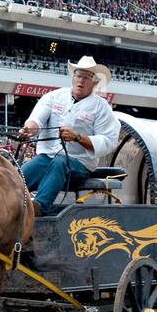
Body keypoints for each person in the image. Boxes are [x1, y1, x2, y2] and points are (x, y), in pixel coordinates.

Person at [19, 56, 121, 217]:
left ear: (94, 82)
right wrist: (29, 128)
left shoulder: (102, 107)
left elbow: (108, 142)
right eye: (78, 75)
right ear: (73, 77)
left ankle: (39, 207)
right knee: (17, 175)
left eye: (86, 77)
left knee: (60, 163)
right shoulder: (53, 97)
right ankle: (4, 203)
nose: (81, 80)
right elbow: (37, 119)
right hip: (46, 158)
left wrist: (77, 137)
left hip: (79, 163)